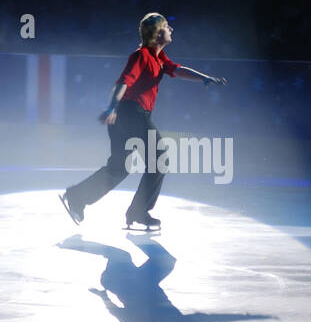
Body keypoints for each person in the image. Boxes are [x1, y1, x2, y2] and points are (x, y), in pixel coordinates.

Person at [59, 12, 227, 230]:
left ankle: (76, 197)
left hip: (125, 115)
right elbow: (123, 82)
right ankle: (138, 211)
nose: (171, 29)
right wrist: (111, 106)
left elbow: (178, 70)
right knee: (160, 159)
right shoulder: (140, 56)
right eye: (167, 26)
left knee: (121, 166)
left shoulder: (159, 58)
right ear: (157, 33)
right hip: (131, 113)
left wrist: (204, 77)